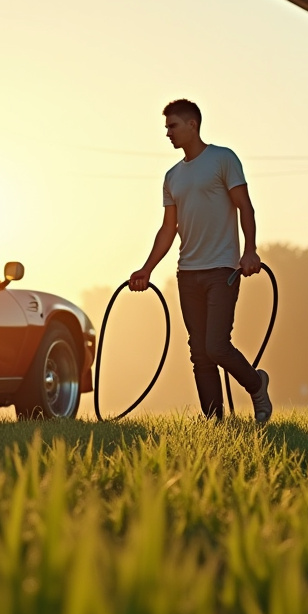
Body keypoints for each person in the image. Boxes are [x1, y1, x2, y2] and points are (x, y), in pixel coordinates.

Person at [129, 99, 272, 423]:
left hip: (223, 269)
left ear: (192, 124)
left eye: (172, 126)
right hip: (187, 273)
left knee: (216, 346)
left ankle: (256, 384)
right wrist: (146, 269)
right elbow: (169, 228)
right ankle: (214, 420)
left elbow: (245, 207)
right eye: (166, 127)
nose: (168, 133)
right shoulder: (172, 176)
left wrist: (249, 250)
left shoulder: (223, 159)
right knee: (199, 353)